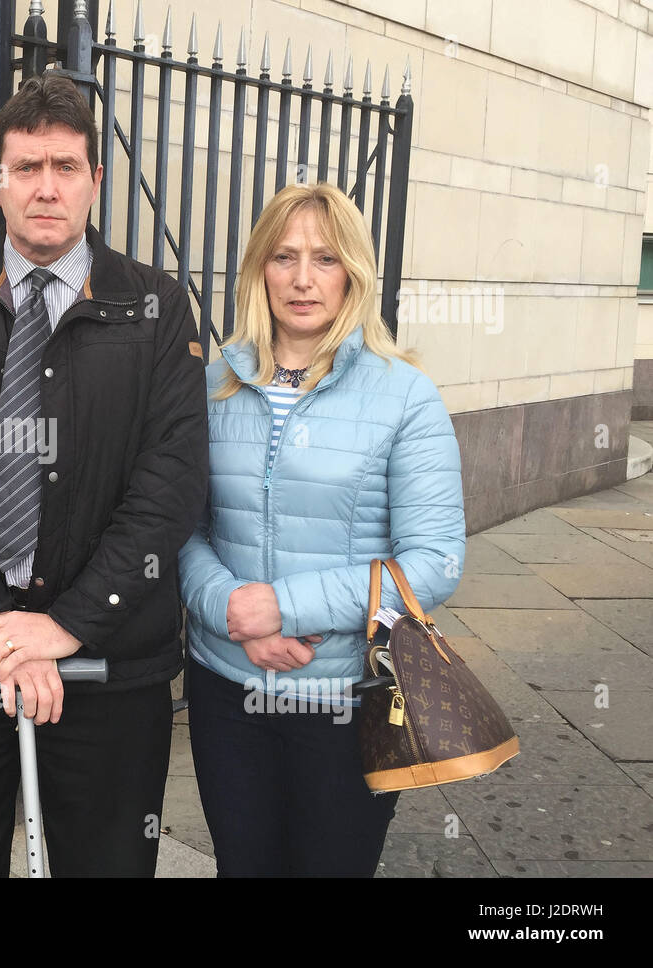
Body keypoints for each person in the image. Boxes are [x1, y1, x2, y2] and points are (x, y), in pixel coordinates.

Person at [0, 74, 208, 876]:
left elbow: (170, 482)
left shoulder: (156, 306)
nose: (47, 187)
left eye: (66, 165)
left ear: (97, 178)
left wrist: (65, 626)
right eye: (26, 168)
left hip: (109, 669)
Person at [178, 181, 466, 876]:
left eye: (326, 259)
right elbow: (181, 528)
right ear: (259, 270)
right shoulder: (215, 384)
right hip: (227, 693)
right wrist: (231, 609)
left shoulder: (404, 394)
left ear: (354, 275)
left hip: (345, 699)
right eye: (284, 257)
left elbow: (434, 562)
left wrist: (282, 607)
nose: (303, 279)